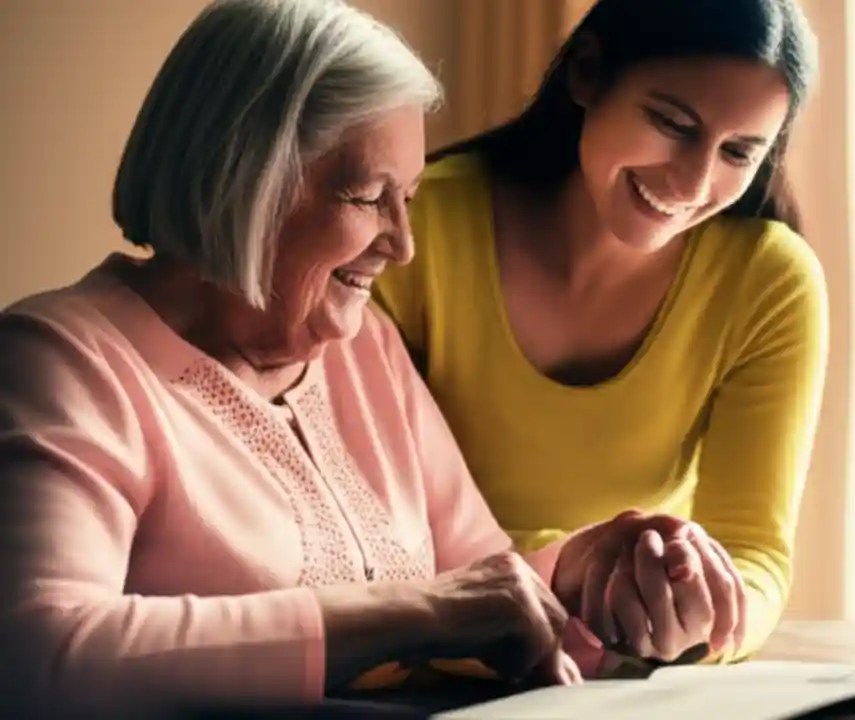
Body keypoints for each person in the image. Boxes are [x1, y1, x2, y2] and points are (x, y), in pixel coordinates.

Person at [0, 1, 580, 718]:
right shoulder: (63, 361)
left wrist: (591, 574)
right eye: (368, 197)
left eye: (408, 198)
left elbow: (479, 583)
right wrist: (415, 612)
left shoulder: (367, 348)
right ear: (241, 180)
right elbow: (41, 654)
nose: (402, 245)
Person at [374, 0, 828, 672]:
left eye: (739, 152)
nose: (694, 183)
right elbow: (370, 527)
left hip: (622, 673)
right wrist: (583, 573)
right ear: (587, 74)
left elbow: (754, 557)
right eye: (673, 123)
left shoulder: (770, 280)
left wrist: (697, 619)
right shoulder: (417, 232)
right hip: (420, 657)